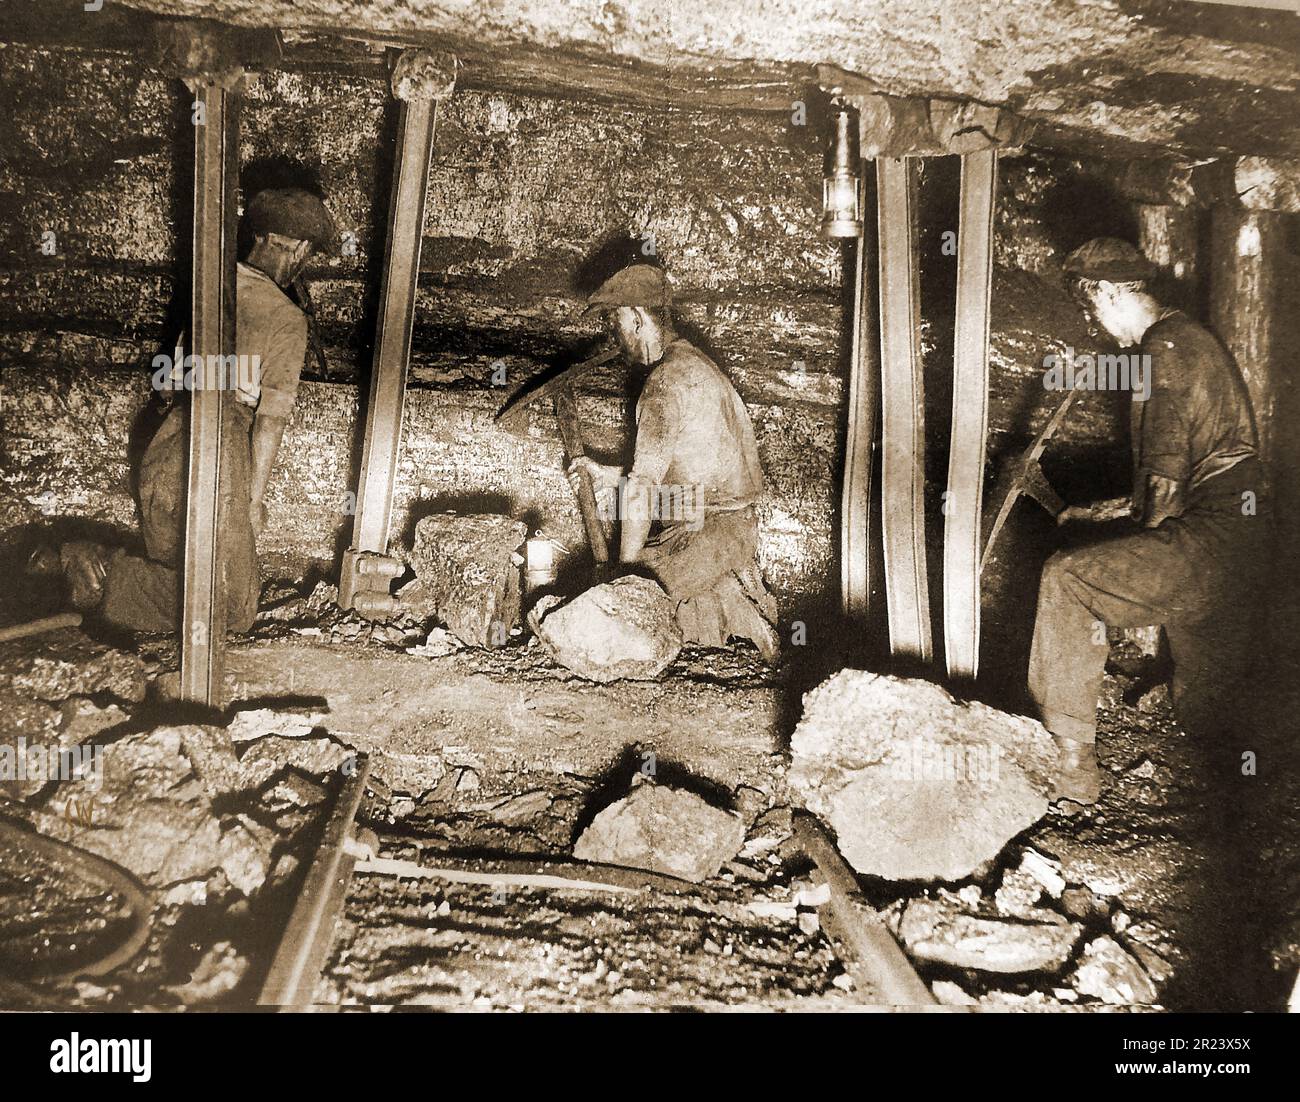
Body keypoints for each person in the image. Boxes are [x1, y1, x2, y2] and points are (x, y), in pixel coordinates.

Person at [34, 188, 339, 633]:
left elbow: (168, 383)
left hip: (167, 443)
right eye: (309, 251)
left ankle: (77, 568)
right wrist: (252, 501)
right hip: (220, 451)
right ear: (295, 247)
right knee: (230, 608)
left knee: (183, 579)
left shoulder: (207, 291)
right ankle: (92, 566)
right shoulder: (287, 317)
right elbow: (270, 420)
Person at [1028, 238, 1265, 804]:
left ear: (1109, 292)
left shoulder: (1161, 351)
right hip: (1246, 547)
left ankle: (1072, 763)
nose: (1097, 322)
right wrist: (1100, 514)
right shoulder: (1195, 339)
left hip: (1208, 543)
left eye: (1092, 308)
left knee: (1068, 580)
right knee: (1205, 716)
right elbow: (1193, 475)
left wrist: (1122, 580)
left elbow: (1162, 485)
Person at [569, 264, 779, 661]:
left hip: (709, 533)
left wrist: (625, 576)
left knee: (604, 598)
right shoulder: (697, 365)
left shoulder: (664, 385)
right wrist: (608, 475)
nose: (613, 334)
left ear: (636, 316)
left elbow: (645, 490)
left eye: (615, 321)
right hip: (728, 524)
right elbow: (685, 469)